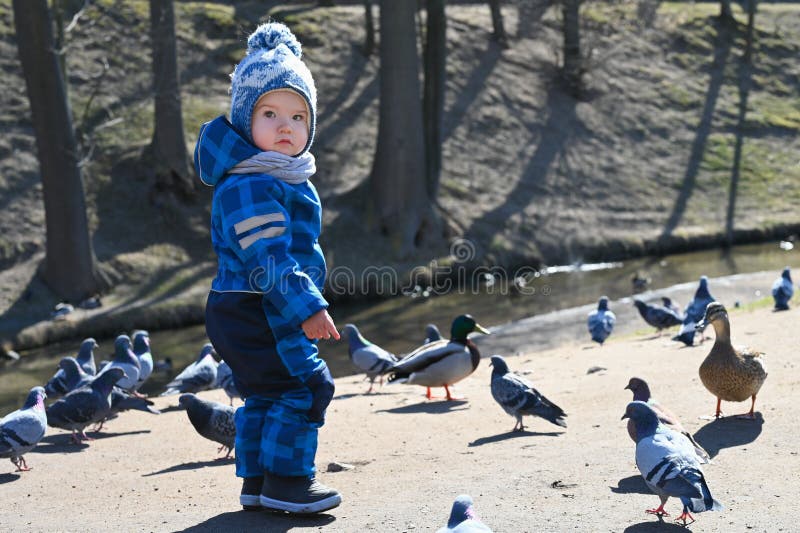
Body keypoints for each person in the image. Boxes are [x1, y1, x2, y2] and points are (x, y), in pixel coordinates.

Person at [194, 22, 341, 514]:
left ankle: (257, 483)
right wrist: (308, 307)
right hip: (259, 304)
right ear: (244, 119)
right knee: (305, 386)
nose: (286, 126)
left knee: (264, 392)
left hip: (243, 303)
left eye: (299, 116)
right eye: (270, 112)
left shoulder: (275, 174)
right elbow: (268, 256)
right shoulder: (252, 183)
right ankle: (288, 482)